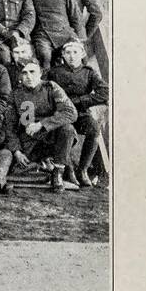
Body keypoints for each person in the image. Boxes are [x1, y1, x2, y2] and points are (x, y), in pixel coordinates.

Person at [10, 60, 80, 190]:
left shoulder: (51, 87)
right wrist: (16, 151)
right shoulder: (16, 94)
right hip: (29, 142)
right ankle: (44, 165)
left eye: (32, 72)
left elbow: (71, 113)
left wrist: (42, 124)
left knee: (67, 129)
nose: (28, 76)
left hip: (51, 138)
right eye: (24, 73)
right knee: (18, 169)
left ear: (40, 73)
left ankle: (58, 172)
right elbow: (9, 126)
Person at [49, 38, 109, 186]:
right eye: (68, 52)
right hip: (62, 113)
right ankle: (67, 170)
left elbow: (105, 92)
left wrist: (81, 101)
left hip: (81, 112)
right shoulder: (54, 72)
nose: (71, 56)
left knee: (94, 129)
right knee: (66, 132)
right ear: (62, 54)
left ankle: (82, 170)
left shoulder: (89, 73)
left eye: (75, 52)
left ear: (82, 53)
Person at [30, 0, 85, 68]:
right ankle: (46, 82)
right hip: (43, 35)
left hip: (65, 34)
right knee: (44, 55)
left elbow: (76, 17)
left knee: (79, 55)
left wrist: (80, 38)